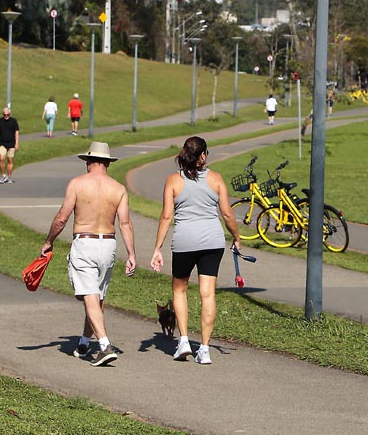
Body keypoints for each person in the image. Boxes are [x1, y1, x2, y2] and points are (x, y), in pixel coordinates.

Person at [41, 142, 136, 367]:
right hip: (108, 244)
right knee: (96, 296)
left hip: (85, 242)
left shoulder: (77, 184)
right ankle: (84, 341)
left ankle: (104, 345)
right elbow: (125, 223)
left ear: (89, 162)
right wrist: (131, 253)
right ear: (107, 164)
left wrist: (49, 241)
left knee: (90, 295)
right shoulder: (118, 188)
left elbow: (62, 218)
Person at [150, 136, 241, 365]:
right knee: (207, 293)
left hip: (184, 242)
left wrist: (157, 248)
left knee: (180, 290)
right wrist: (237, 238)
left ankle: (182, 341)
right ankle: (205, 348)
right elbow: (228, 214)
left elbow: (166, 216)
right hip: (212, 241)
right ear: (203, 155)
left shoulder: (173, 180)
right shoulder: (216, 179)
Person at [0, 107, 19, 184]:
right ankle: (3, 175)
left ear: (10, 114)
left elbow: (16, 132)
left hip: (11, 144)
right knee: (2, 158)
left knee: (10, 160)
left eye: (8, 115)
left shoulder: (14, 121)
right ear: (2, 114)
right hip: (2, 143)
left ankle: (8, 176)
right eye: (5, 115)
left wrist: (17, 144)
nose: (6, 116)